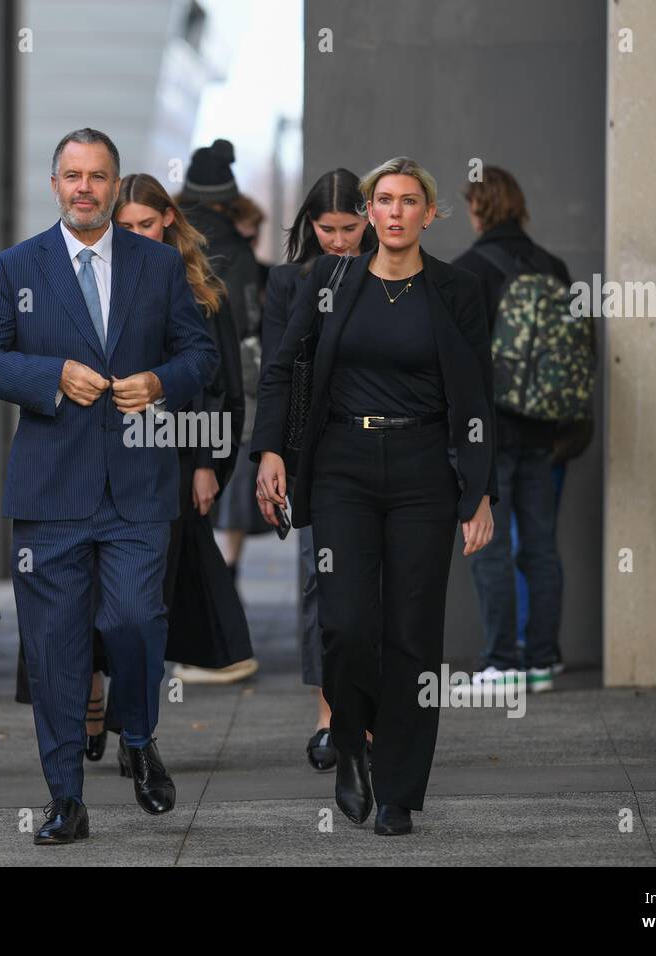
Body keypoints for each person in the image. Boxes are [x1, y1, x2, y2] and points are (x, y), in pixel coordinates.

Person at [0, 129, 218, 845]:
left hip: (138, 483)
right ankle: (65, 797)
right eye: (73, 175)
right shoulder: (16, 268)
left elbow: (202, 353)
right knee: (55, 650)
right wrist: (49, 377)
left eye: (98, 176)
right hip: (50, 494)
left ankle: (138, 735)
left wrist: (161, 381)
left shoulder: (157, 266)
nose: (85, 187)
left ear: (115, 183)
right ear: (55, 184)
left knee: (134, 622)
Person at [252, 157, 498, 837]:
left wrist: (480, 492)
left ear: (429, 213)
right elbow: (284, 367)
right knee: (348, 623)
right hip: (341, 470)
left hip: (424, 471)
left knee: (413, 636)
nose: (393, 212)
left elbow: (478, 395)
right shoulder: (333, 282)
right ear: (368, 213)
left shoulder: (457, 290)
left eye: (407, 200)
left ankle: (398, 790)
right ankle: (352, 744)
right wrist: (271, 450)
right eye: (382, 200)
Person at [10, 173, 252, 763]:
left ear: (168, 220)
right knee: (78, 599)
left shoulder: (191, 285)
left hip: (159, 457)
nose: (135, 233)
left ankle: (132, 727)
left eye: (146, 223)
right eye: (128, 226)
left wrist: (205, 463)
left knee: (141, 605)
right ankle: (91, 706)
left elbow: (217, 385)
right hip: (79, 461)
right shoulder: (75, 274)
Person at [452, 165, 586, 693]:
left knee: (488, 542)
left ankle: (502, 664)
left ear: (478, 208)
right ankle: (543, 660)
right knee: (540, 545)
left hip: (492, 431)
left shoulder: (469, 270)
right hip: (545, 431)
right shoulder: (554, 266)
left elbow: (462, 362)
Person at [262, 168, 376, 772]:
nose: (338, 240)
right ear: (310, 226)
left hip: (377, 443)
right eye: (327, 228)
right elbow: (277, 372)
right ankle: (330, 714)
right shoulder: (289, 283)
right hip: (314, 451)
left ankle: (371, 712)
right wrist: (271, 454)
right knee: (319, 582)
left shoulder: (392, 277)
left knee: (377, 586)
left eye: (348, 228)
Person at [178, 140, 272, 626]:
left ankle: (205, 620)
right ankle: (221, 609)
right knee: (223, 501)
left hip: (163, 401)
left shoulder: (170, 241)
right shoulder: (237, 252)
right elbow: (246, 329)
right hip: (232, 399)